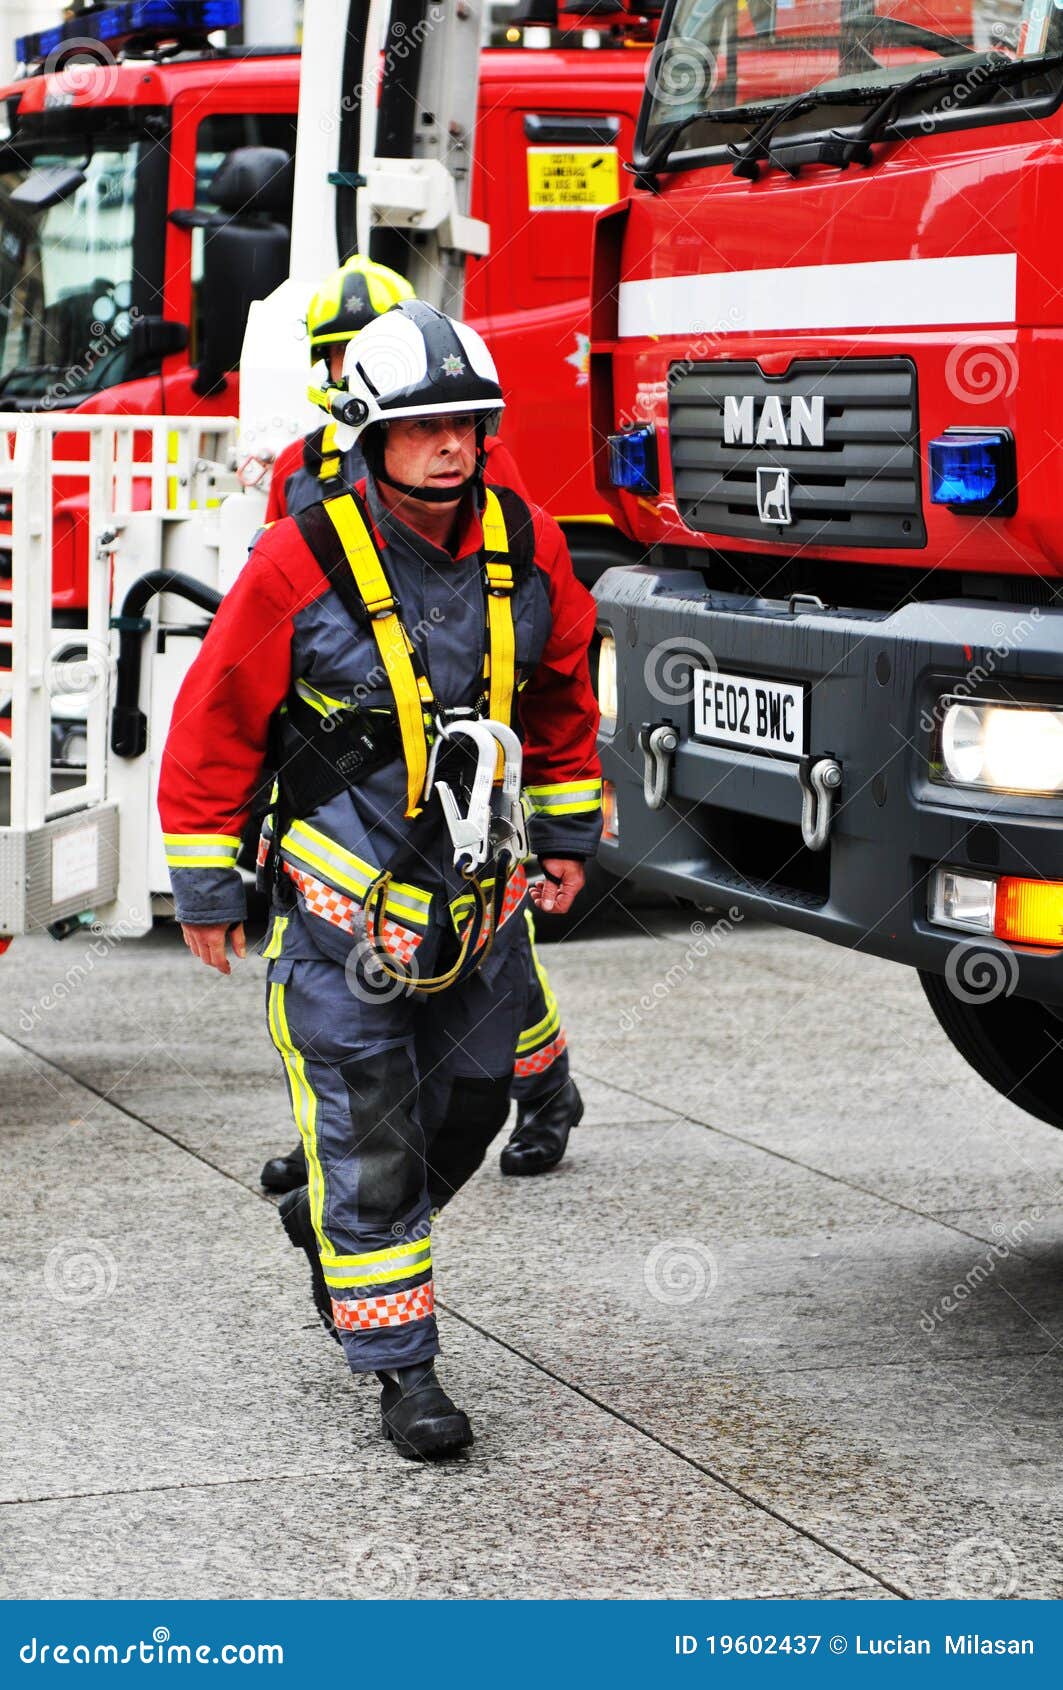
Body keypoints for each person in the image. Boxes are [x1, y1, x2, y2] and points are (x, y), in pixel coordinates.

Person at [158, 302, 602, 1459]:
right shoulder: (298, 556)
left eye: (467, 423)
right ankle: (403, 1370)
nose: (453, 444)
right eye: (424, 427)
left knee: (473, 1104)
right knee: (372, 1130)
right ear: (366, 433)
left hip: (477, 904)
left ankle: (331, 1225)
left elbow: (556, 698)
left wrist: (566, 832)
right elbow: (216, 722)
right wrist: (208, 884)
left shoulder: (528, 540)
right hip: (341, 909)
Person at [258, 255, 584, 1195]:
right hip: (357, 778)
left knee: (491, 951)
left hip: (462, 762)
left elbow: (515, 581)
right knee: (336, 989)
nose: (341, 367)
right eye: (330, 354)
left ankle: (545, 1087)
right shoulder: (301, 468)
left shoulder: (461, 455)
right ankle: (344, 1148)